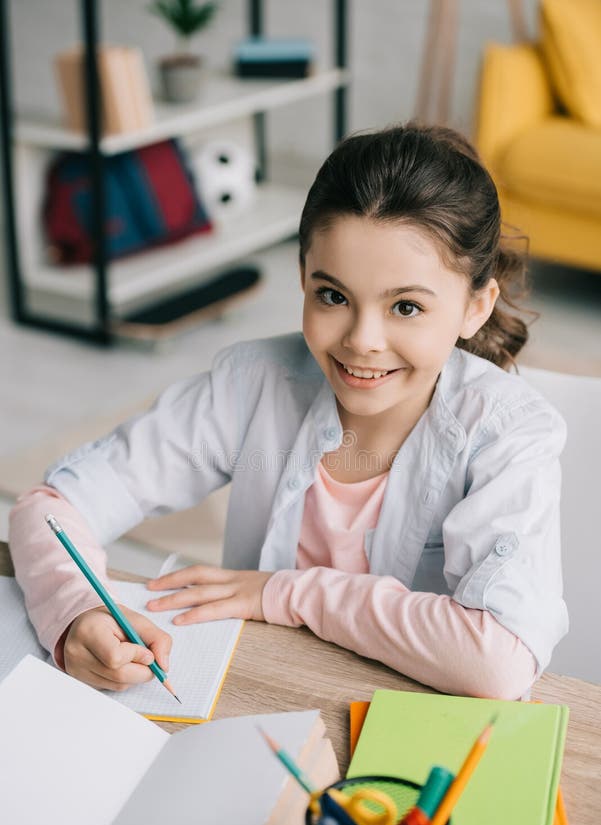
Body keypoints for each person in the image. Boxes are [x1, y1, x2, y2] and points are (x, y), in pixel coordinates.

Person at [9, 122, 568, 701]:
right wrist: (76, 613)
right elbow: (53, 505)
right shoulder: (253, 384)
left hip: (413, 727)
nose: (362, 340)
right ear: (302, 278)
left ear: (476, 307)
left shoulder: (508, 433)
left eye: (405, 307)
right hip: (256, 694)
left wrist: (286, 592)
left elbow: (499, 660)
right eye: (333, 296)